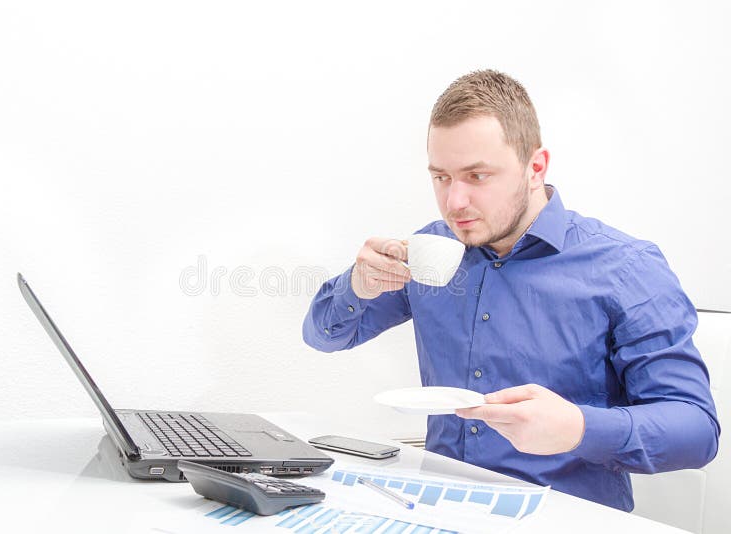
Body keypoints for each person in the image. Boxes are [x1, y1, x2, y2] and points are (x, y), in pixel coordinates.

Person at [302, 69, 719, 511]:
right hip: (439, 509)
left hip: (564, 517)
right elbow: (325, 335)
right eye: (441, 177)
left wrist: (578, 427)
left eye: (477, 176)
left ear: (535, 167)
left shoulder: (626, 267)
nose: (454, 202)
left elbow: (696, 429)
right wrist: (356, 286)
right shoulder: (435, 250)